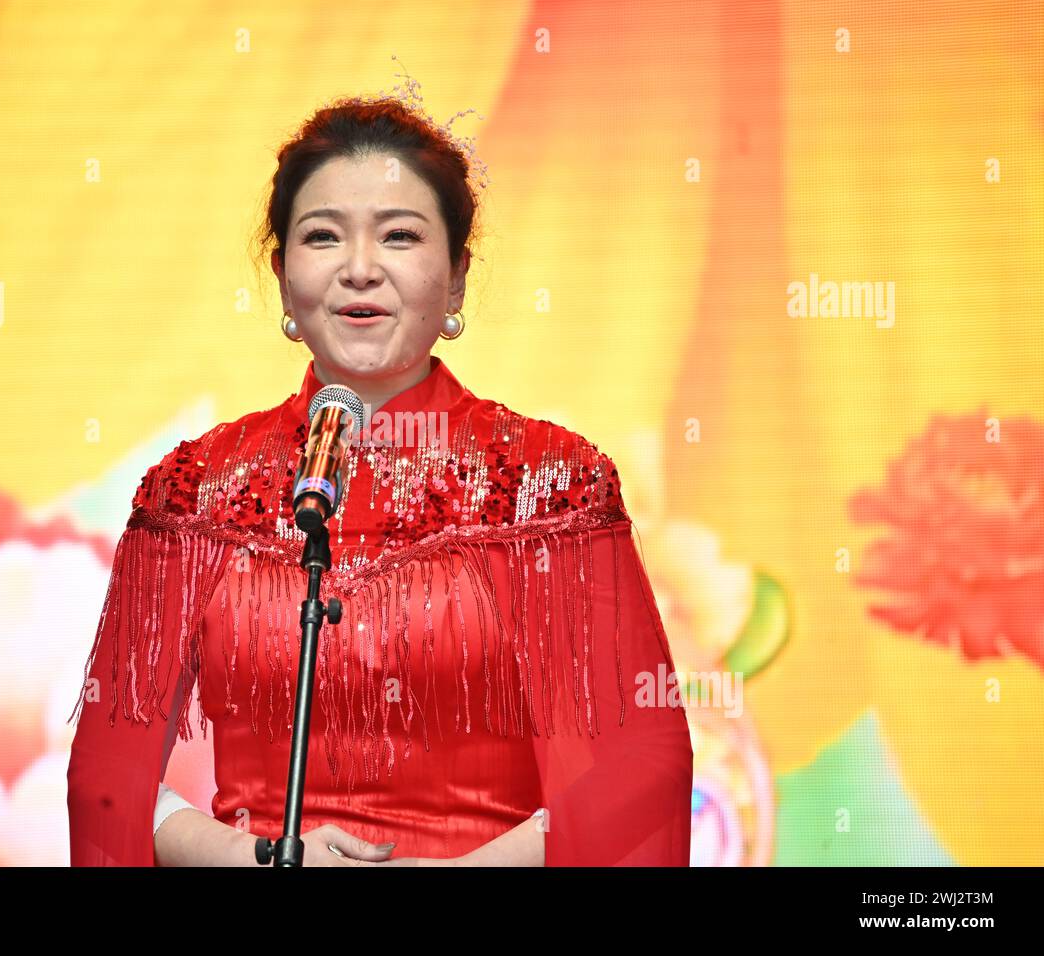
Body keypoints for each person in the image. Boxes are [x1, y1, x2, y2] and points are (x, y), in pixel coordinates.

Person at [65, 79, 693, 867]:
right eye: (324, 237)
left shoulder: (551, 483)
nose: (360, 269)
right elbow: (107, 775)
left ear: (456, 275)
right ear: (283, 275)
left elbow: (639, 767)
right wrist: (251, 857)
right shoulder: (195, 487)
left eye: (398, 236)